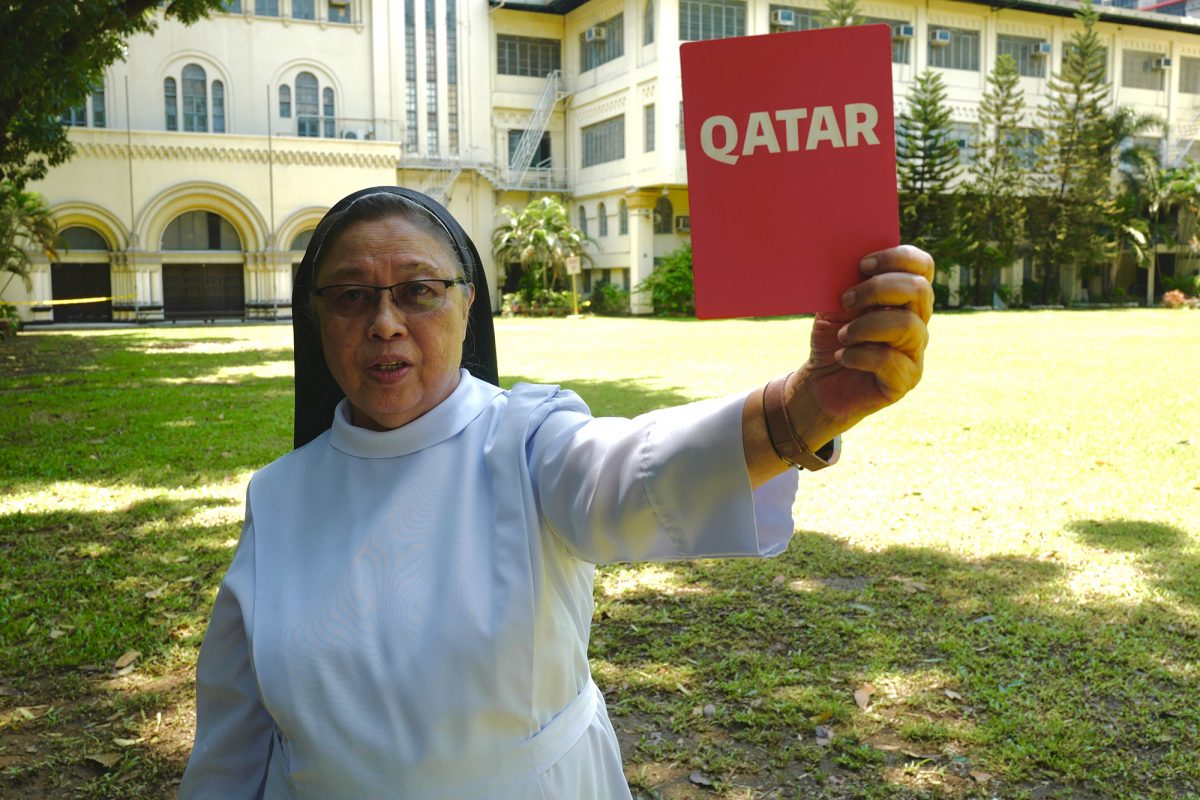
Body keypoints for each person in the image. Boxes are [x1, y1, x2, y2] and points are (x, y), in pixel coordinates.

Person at [179, 186, 933, 799]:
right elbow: (231, 744)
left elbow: (634, 472)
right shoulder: (277, 498)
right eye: (349, 298)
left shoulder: (529, 440)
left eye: (418, 291)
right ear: (316, 318)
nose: (384, 325)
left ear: (469, 304)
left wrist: (801, 412)